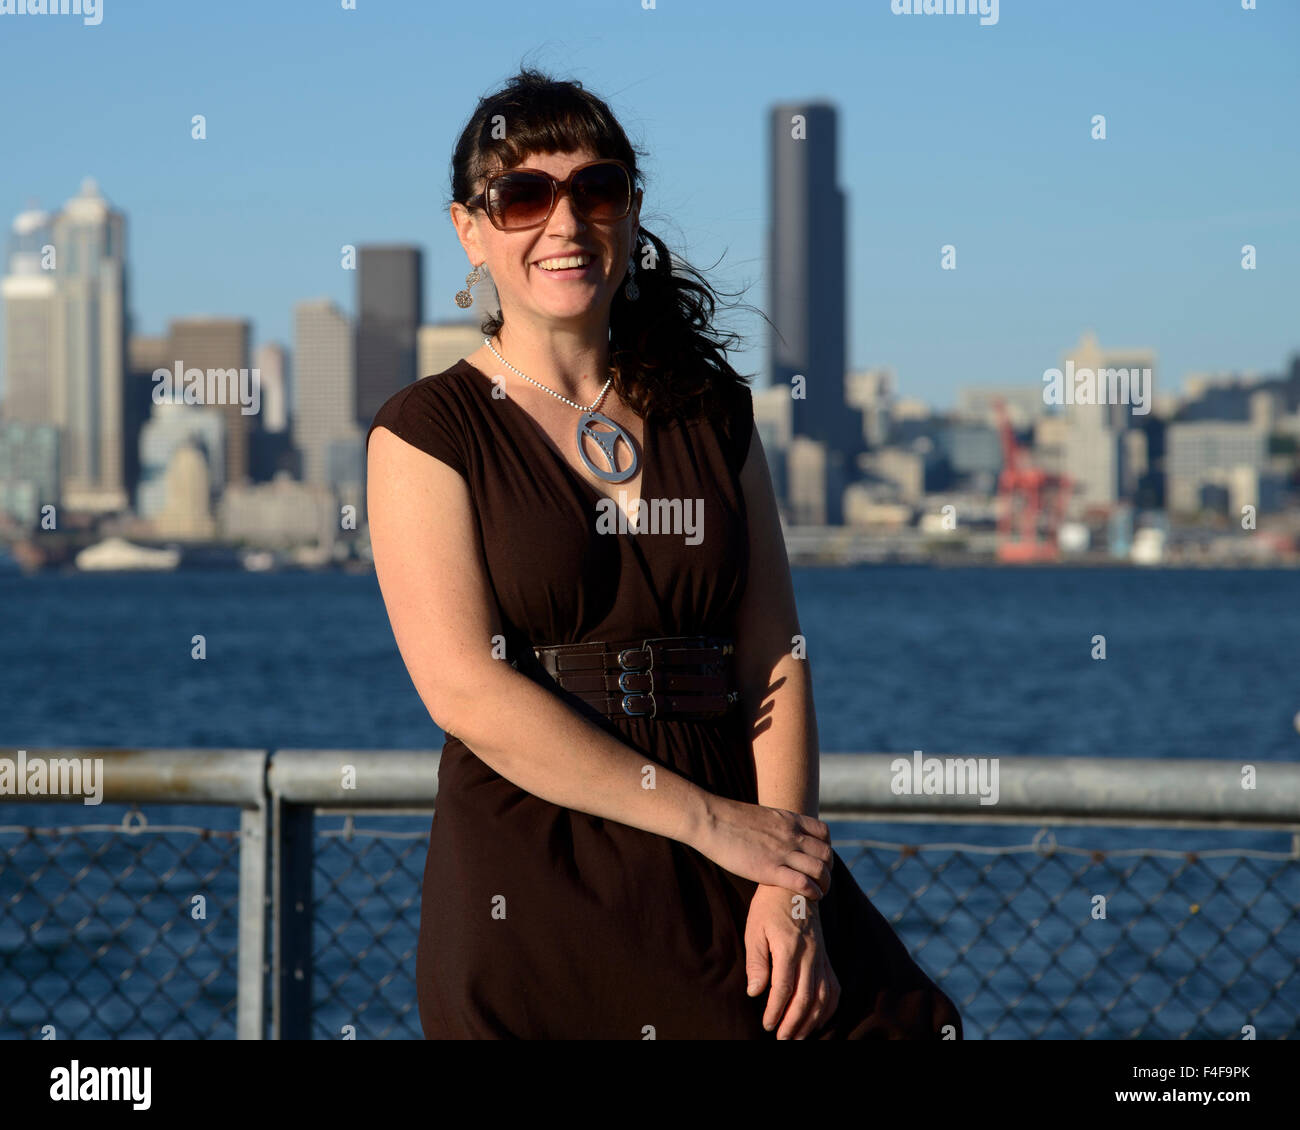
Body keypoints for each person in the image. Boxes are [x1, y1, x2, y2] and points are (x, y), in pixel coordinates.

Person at [366, 66, 963, 1040]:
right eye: (523, 195)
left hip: (739, 850)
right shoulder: (428, 429)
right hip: (539, 864)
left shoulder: (711, 410)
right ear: (470, 229)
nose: (563, 222)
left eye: (593, 189)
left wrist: (789, 883)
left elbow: (775, 651)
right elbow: (463, 689)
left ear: (630, 211)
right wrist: (710, 823)